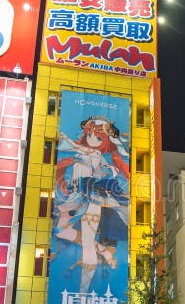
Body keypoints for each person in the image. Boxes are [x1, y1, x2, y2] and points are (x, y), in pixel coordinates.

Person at [54, 116, 129, 294]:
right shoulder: (83, 153)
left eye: (97, 138)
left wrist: (68, 142)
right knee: (61, 230)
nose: (91, 140)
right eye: (90, 135)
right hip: (75, 198)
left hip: (92, 200)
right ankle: (102, 249)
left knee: (87, 246)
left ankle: (82, 296)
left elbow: (76, 147)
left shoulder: (95, 154)